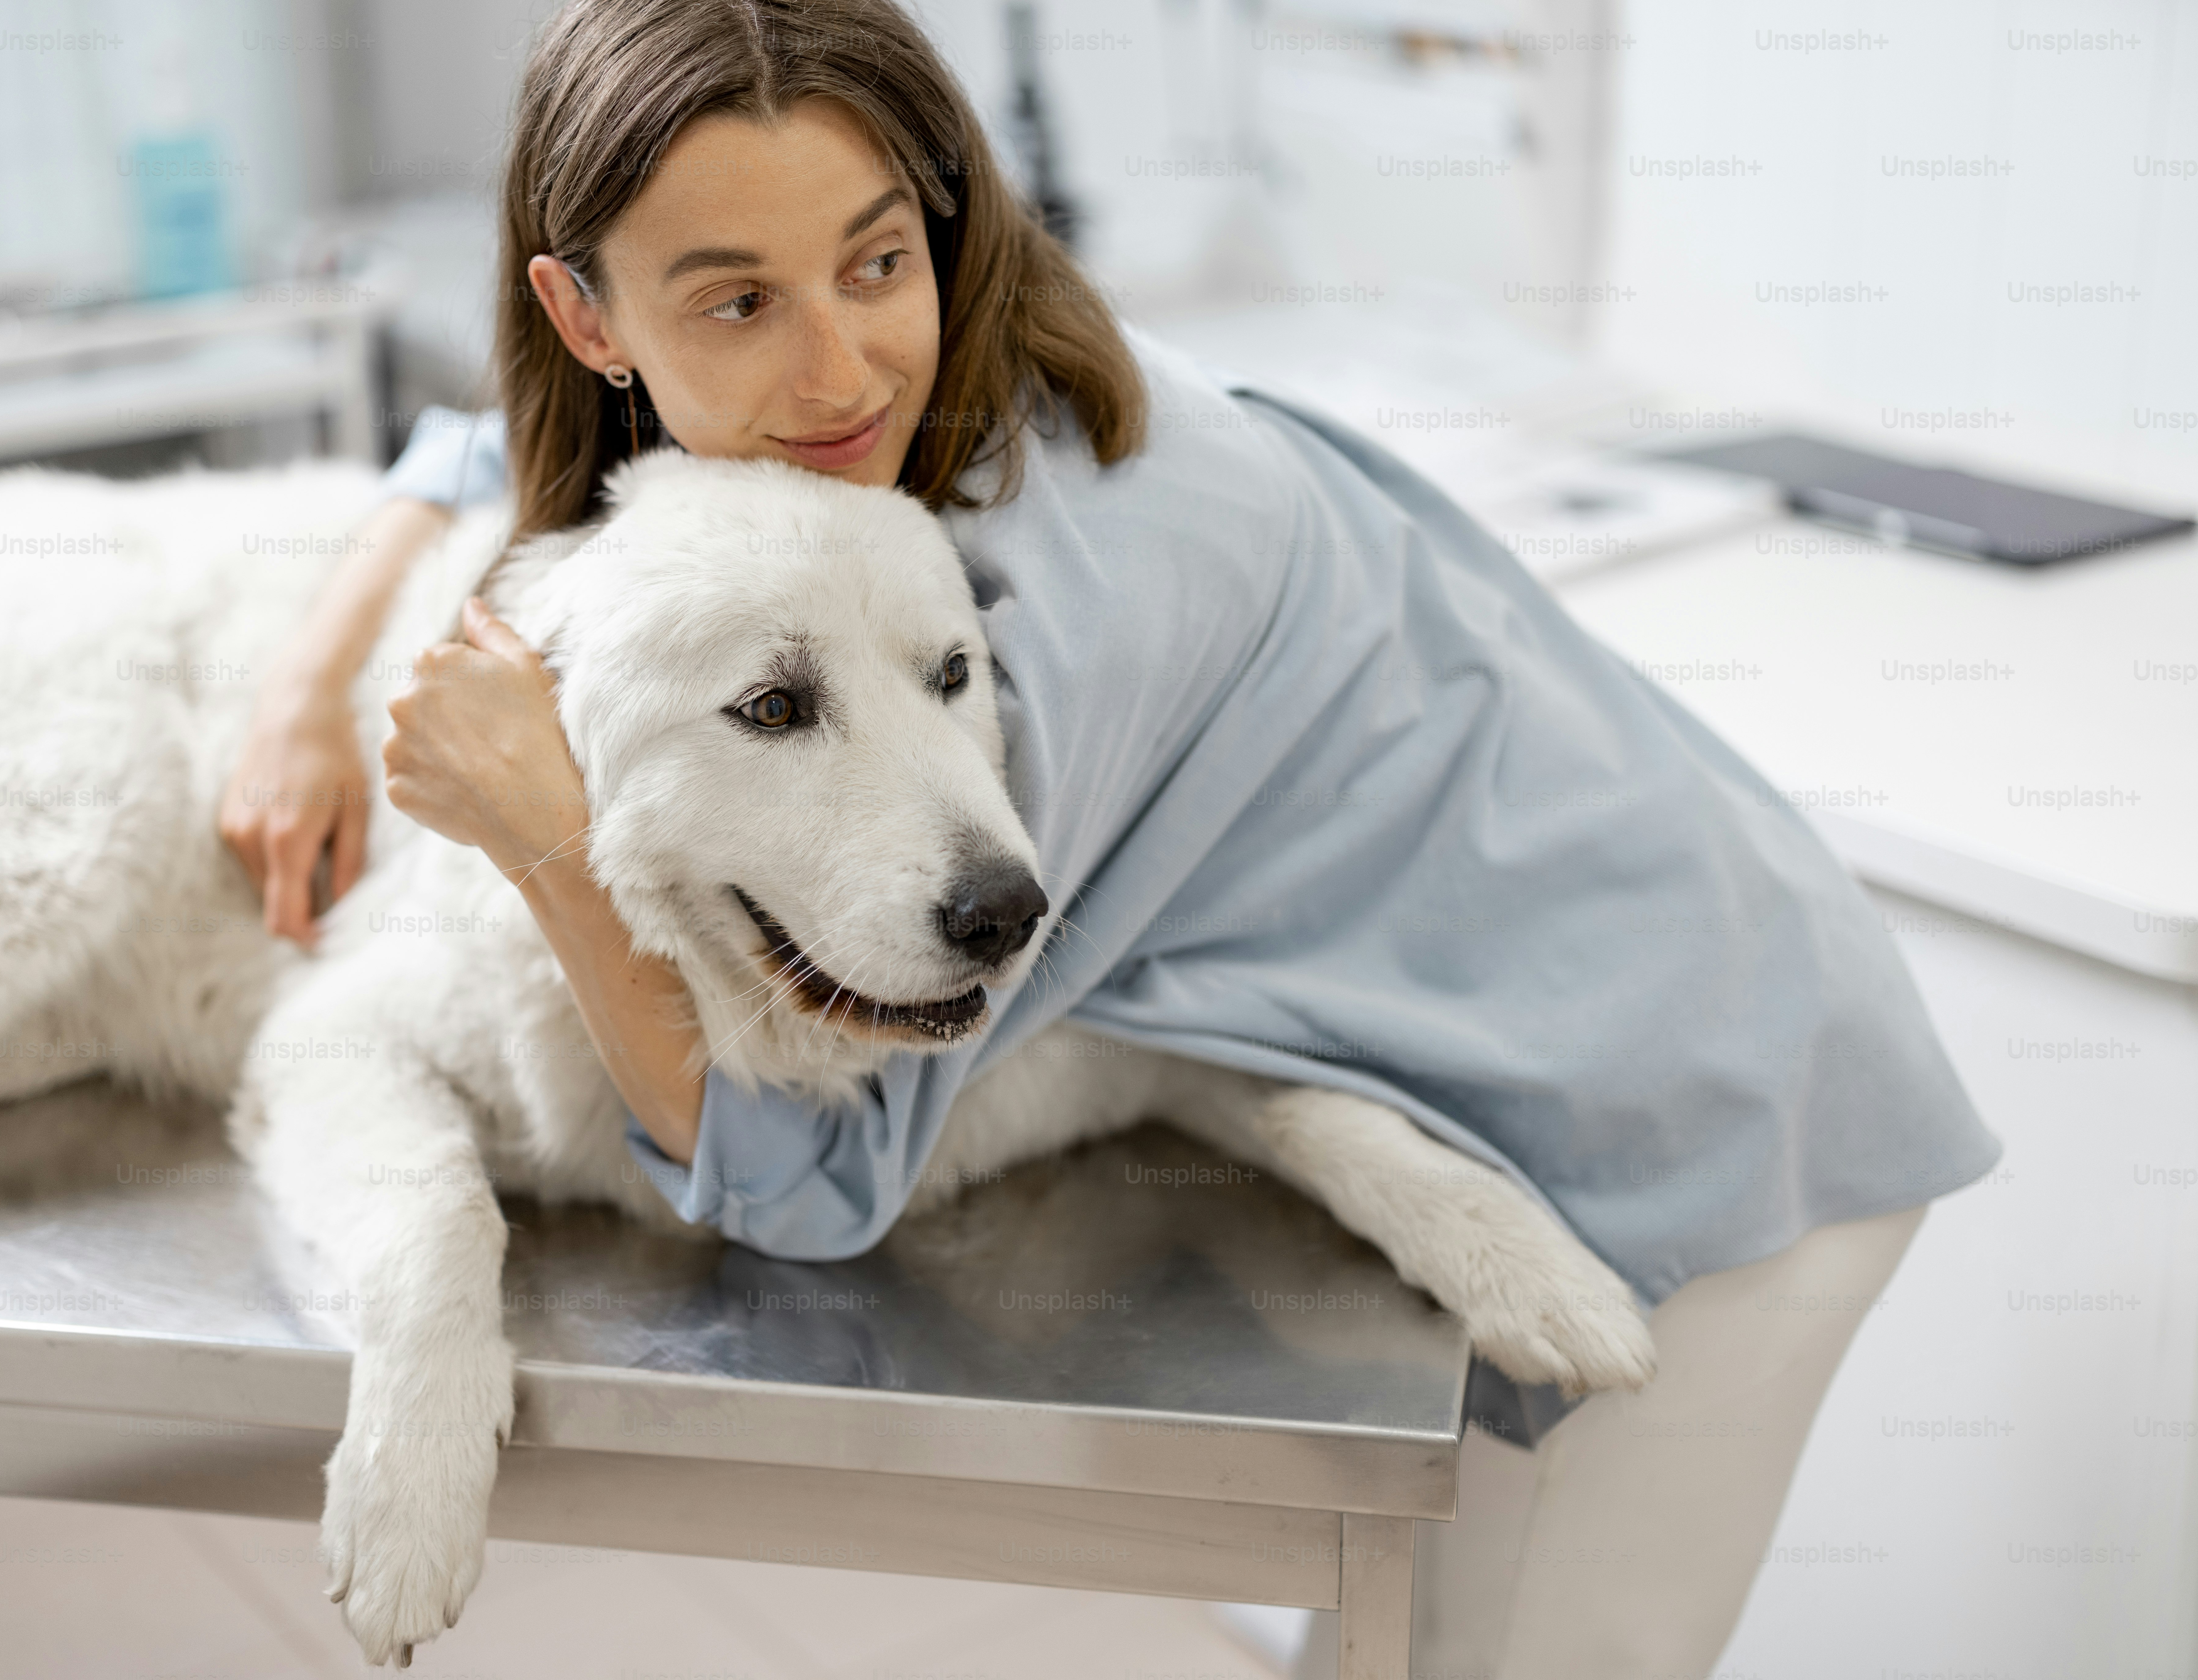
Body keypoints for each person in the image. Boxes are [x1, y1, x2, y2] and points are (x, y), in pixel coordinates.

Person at [220, 2, 1999, 1674]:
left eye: (875, 259)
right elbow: (489, 443)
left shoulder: (1035, 603)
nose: (838, 366)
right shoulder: (873, 432)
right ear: (595, 317)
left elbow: (804, 1181)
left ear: (942, 224)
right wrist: (314, 673)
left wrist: (542, 831)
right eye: (736, 300)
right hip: (1508, 1047)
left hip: (1695, 1090)